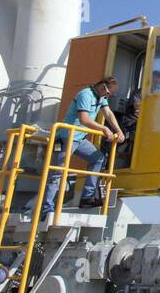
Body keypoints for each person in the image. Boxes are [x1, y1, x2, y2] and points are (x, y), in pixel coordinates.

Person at [41, 76, 124, 218]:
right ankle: (46, 210)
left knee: (98, 159)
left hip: (79, 139)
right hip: (64, 138)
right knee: (57, 172)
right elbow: (84, 119)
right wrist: (104, 129)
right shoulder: (85, 94)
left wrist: (119, 130)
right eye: (108, 93)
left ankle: (87, 197)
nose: (108, 96)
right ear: (102, 87)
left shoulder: (101, 97)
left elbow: (108, 113)